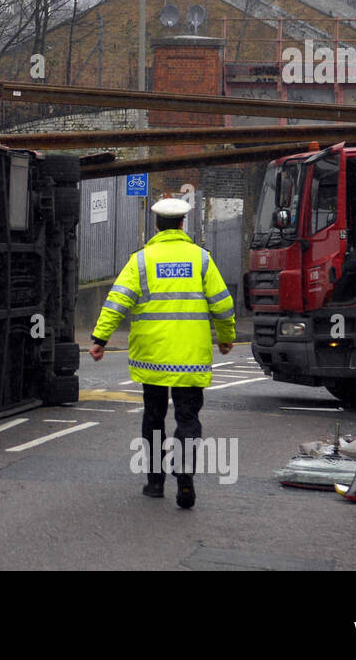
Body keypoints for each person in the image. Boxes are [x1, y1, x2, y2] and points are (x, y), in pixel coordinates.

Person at [88, 198, 236, 508]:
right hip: (190, 360)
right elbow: (222, 304)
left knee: (154, 417)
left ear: (156, 225)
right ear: (183, 224)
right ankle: (185, 480)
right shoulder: (202, 260)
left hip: (152, 357)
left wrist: (100, 338)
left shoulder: (141, 261)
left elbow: (118, 301)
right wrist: (225, 338)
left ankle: (155, 484)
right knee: (187, 419)